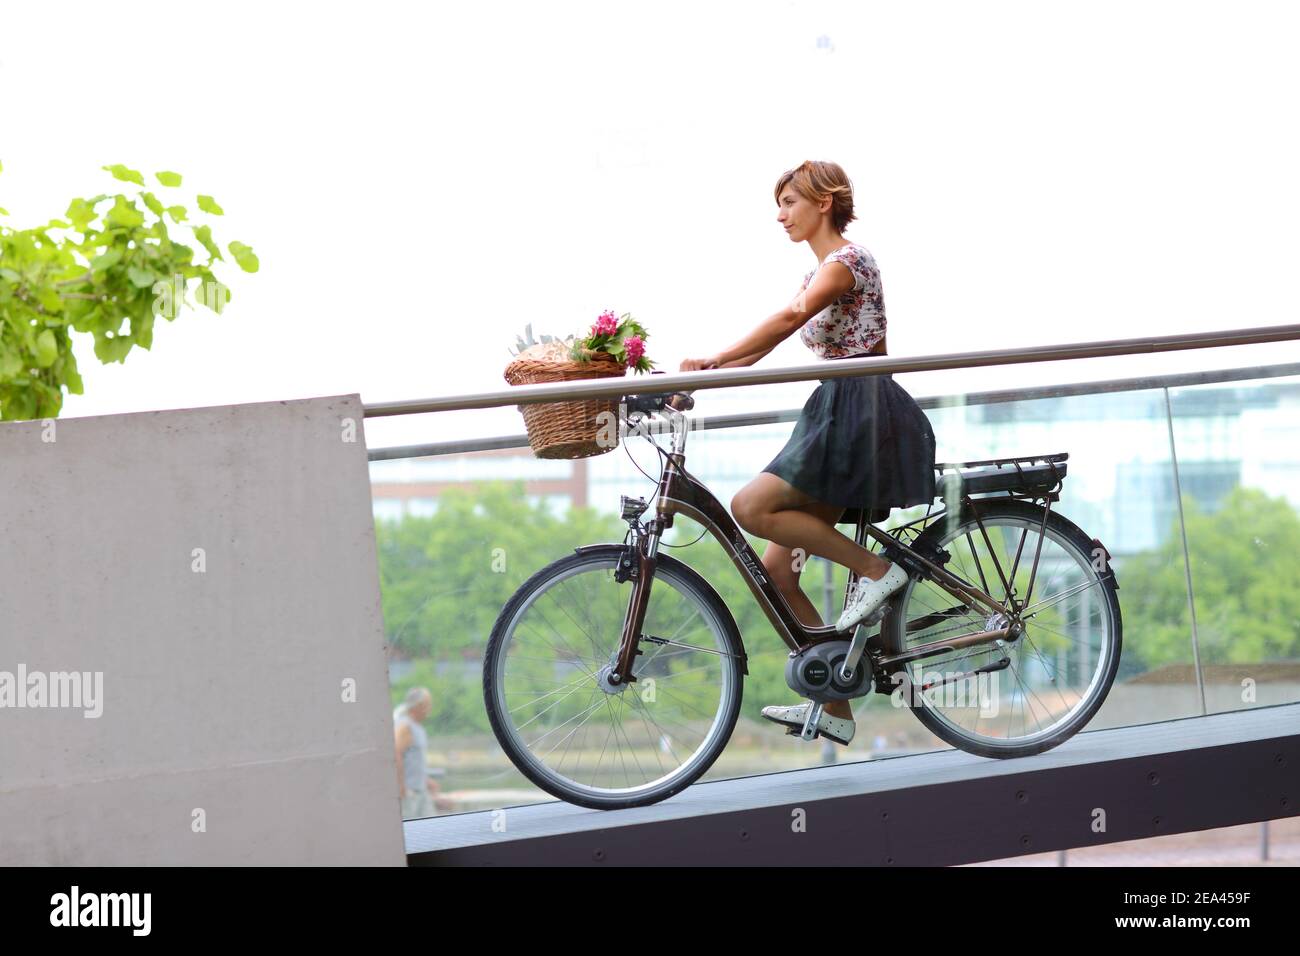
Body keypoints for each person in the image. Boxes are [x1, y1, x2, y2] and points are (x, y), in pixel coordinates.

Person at [679, 159, 937, 747]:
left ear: (823, 202)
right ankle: (836, 705)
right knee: (775, 571)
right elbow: (762, 347)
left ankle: (878, 572)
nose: (780, 214)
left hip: (861, 410)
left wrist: (716, 356)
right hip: (838, 410)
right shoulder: (818, 272)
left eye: (789, 201)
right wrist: (697, 376)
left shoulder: (849, 261)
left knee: (751, 505)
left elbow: (792, 319)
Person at [394, 686, 451, 818]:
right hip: (410, 793)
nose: (429, 708)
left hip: (421, 791)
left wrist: (426, 780)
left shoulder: (418, 728)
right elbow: (396, 754)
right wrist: (401, 788)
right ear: (418, 706)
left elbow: (413, 761)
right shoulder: (404, 726)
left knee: (430, 825)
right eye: (427, 705)